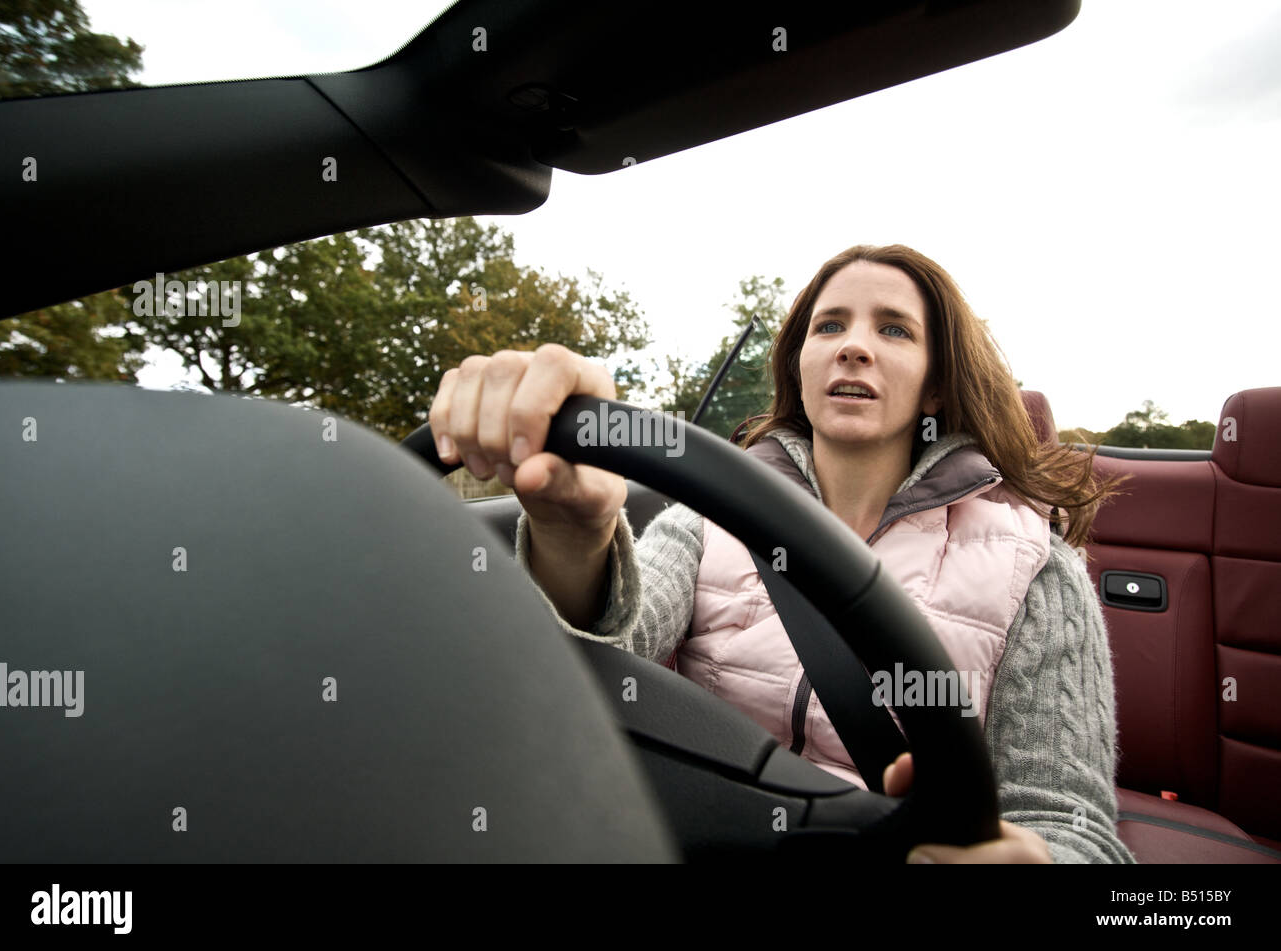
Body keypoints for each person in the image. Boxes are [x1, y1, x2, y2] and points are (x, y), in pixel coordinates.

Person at [428, 243, 1136, 864]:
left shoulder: (1035, 565)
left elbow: (1074, 828)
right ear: (799, 367)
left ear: (937, 383)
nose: (853, 346)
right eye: (830, 326)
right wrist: (573, 534)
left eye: (893, 329)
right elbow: (610, 664)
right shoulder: (706, 520)